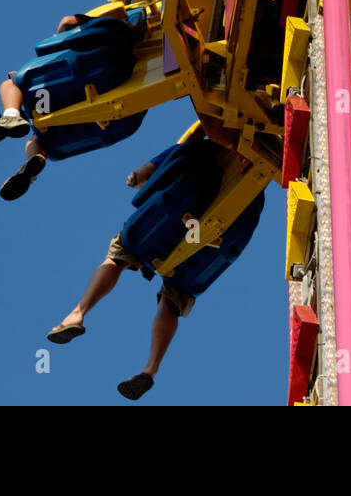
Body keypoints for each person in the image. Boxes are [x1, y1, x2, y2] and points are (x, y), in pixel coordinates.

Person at [45, 139, 262, 400]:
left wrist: (137, 175)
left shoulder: (200, 146)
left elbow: (145, 175)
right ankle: (151, 369)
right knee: (173, 301)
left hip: (173, 213)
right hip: (216, 240)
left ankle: (77, 314)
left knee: (118, 255)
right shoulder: (255, 187)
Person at [0, 6, 143, 200]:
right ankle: (17, 124)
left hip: (53, 96)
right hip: (99, 89)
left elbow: (68, 22)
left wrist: (60, 38)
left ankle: (12, 117)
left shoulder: (96, 35)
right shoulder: (123, 48)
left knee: (14, 89)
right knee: (34, 114)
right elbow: (69, 22)